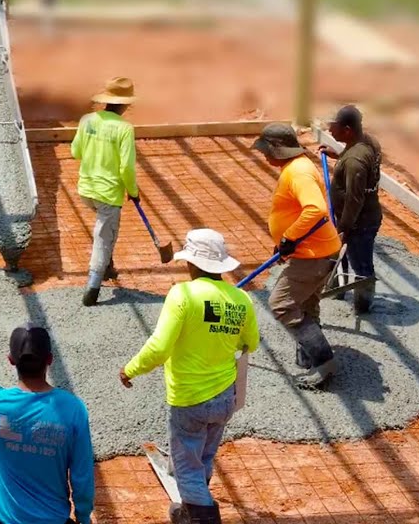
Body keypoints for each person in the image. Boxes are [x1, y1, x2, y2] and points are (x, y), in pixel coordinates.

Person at [119, 229, 258, 524]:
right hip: (225, 398)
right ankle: (188, 510)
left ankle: (202, 516)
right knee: (204, 457)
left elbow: (159, 347)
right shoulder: (241, 299)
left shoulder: (182, 293)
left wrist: (130, 369)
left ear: (192, 264)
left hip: (190, 399)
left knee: (185, 468)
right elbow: (251, 343)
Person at [0, 327, 95, 524]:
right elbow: (82, 475)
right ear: (50, 360)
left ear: (11, 359)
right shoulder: (73, 409)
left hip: (4, 519)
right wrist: (84, 517)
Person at [252, 122, 343, 390]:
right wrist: (284, 242)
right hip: (316, 250)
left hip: (313, 255)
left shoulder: (299, 172)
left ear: (278, 149)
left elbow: (315, 209)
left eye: (265, 150)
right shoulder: (296, 167)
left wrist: (289, 238)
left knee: (281, 304)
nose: (263, 155)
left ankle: (324, 362)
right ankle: (310, 354)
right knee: (306, 303)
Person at [71, 76, 140, 307]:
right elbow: (126, 167)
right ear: (125, 104)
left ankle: (108, 265)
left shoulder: (87, 120)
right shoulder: (124, 128)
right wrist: (133, 190)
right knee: (103, 237)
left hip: (85, 190)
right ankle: (93, 287)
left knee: (107, 229)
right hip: (108, 194)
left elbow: (75, 152)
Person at [324, 104, 383, 312]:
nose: (329, 130)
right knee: (338, 253)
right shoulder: (367, 143)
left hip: (359, 222)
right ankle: (339, 289)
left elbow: (354, 199)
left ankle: (363, 305)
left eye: (333, 127)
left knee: (361, 266)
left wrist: (344, 228)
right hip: (362, 217)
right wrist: (339, 155)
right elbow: (357, 158)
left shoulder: (354, 161)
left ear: (347, 130)